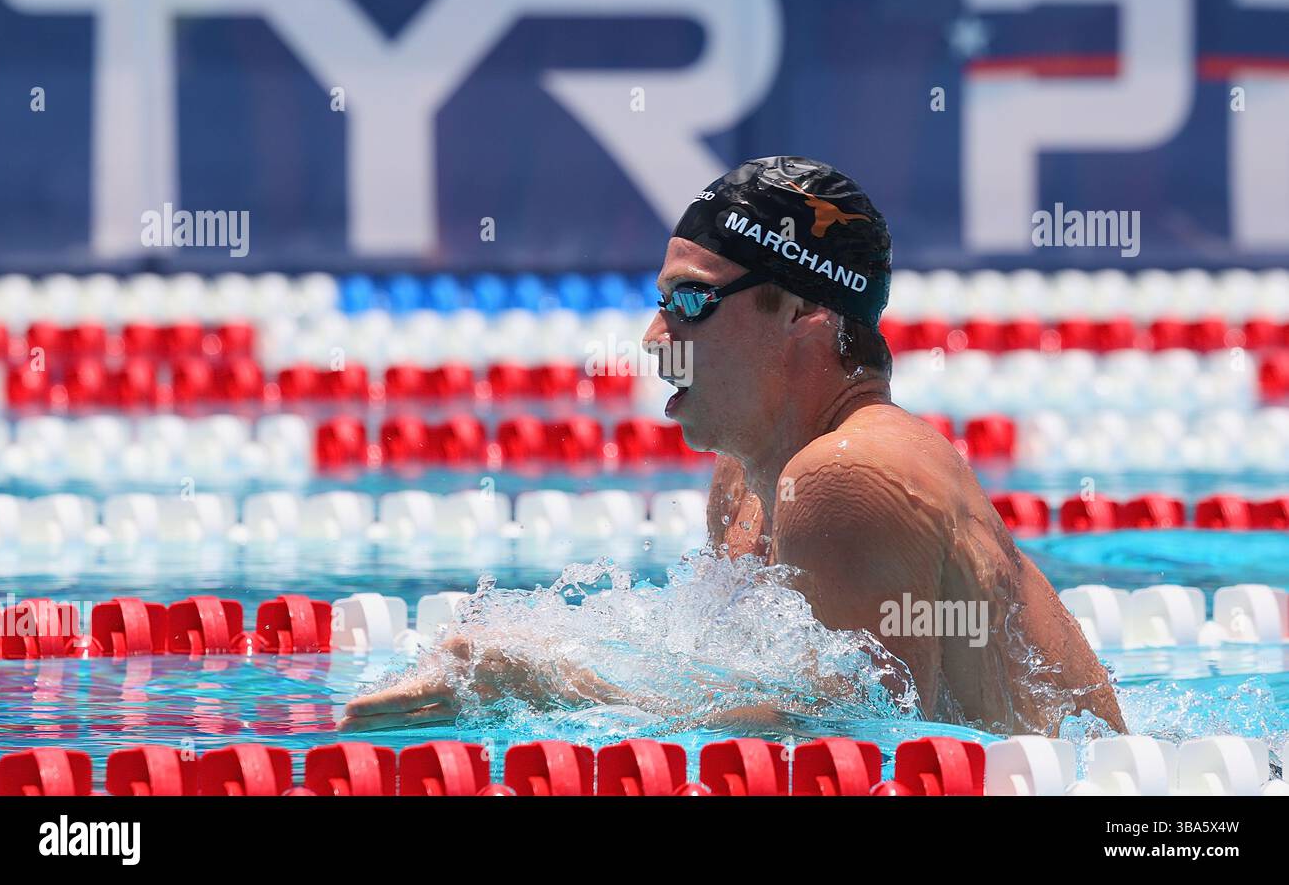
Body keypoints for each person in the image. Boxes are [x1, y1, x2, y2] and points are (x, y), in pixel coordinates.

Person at [339, 156, 1125, 736]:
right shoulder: (746, 482)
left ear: (799, 313)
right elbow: (767, 699)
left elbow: (855, 742)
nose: (655, 340)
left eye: (689, 302)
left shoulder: (849, 478)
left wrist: (551, 685)